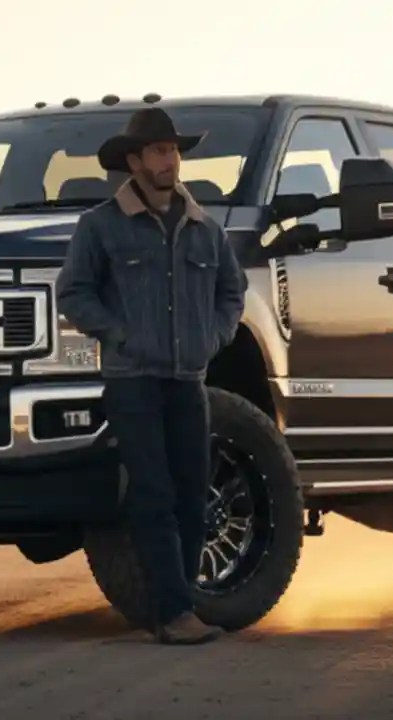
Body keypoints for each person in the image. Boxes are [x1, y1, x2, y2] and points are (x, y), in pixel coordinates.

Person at [55, 107, 248, 645]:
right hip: (132, 380)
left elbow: (231, 294)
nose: (170, 160)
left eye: (174, 150)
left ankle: (179, 606)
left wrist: (214, 336)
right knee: (154, 493)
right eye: (159, 152)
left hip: (189, 381)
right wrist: (118, 333)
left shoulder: (205, 227)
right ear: (134, 162)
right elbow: (72, 293)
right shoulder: (100, 226)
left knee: (192, 495)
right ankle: (172, 612)